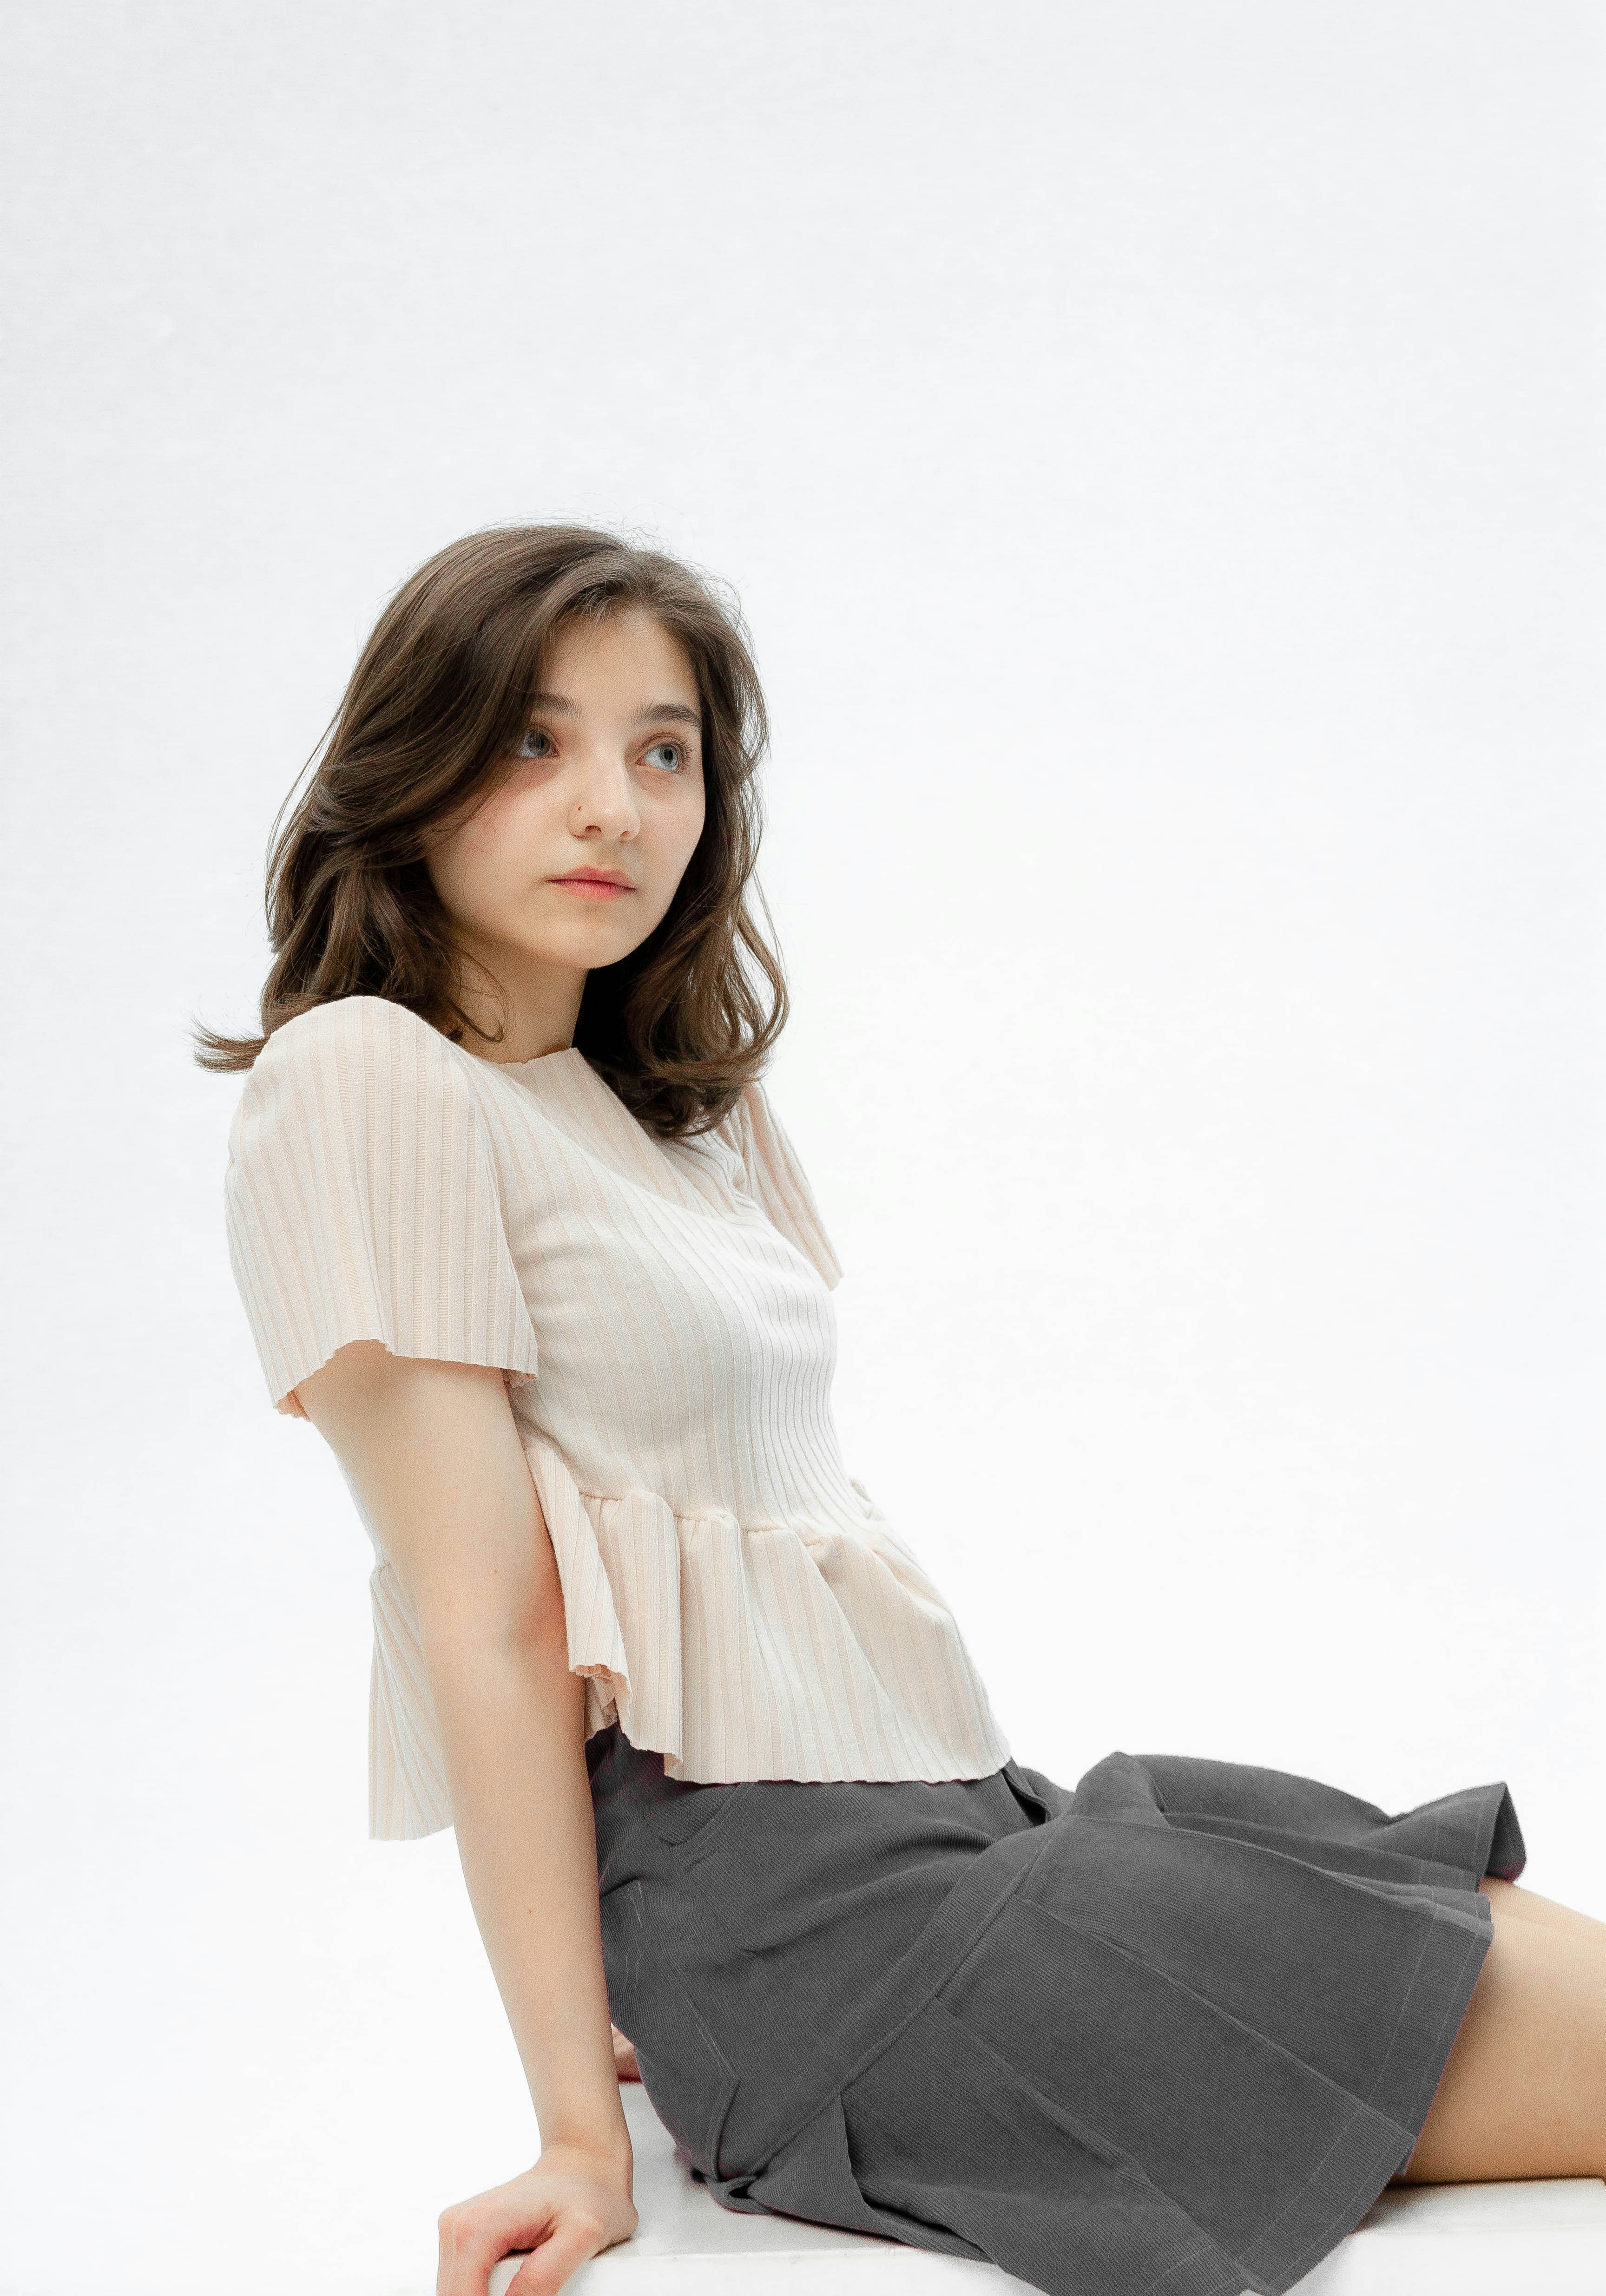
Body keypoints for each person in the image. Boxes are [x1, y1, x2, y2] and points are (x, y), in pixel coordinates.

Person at [204, 525, 1606, 2296]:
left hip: (972, 1837)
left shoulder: (681, 1122)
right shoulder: (365, 1079)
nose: (611, 808)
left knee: (1449, 1925)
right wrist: (578, 2123)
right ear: (408, 767)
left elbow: (767, 1533)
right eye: (531, 740)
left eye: (665, 752)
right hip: (822, 1941)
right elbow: (495, 1623)